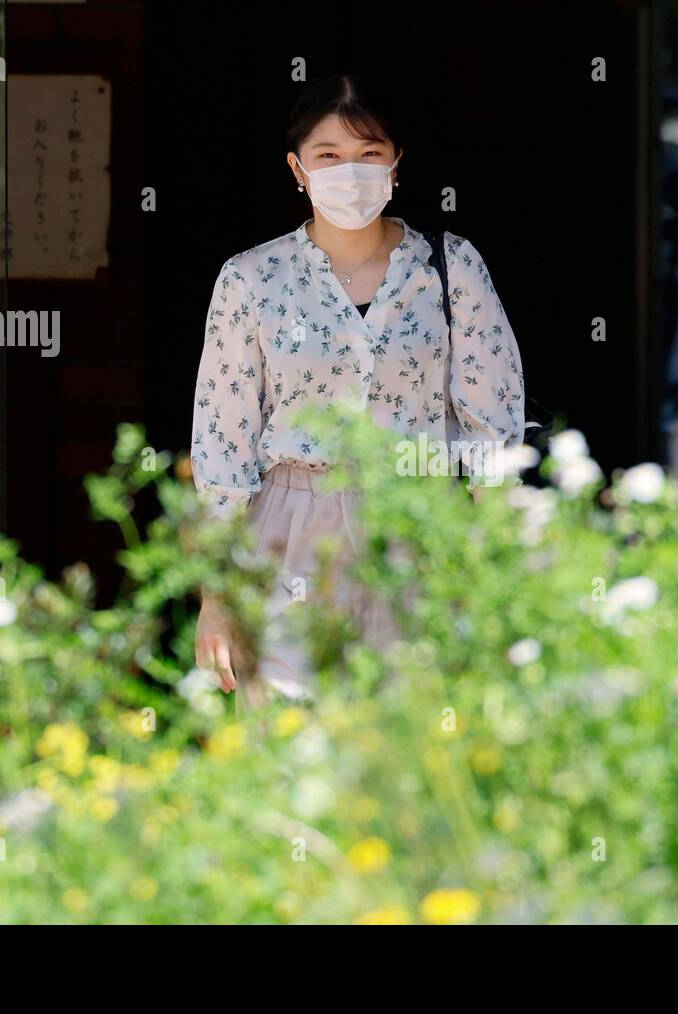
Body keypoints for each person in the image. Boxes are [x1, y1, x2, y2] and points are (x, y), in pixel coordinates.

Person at [190, 75, 525, 707]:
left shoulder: (450, 268)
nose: (351, 172)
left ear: (397, 164)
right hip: (287, 531)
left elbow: (492, 431)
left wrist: (495, 572)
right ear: (297, 168)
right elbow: (222, 444)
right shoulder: (250, 279)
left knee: (411, 742)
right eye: (329, 156)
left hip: (418, 525)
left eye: (369, 154)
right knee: (288, 739)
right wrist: (214, 597)